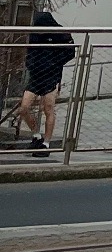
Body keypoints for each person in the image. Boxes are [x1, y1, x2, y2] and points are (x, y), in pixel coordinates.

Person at [19, 10, 75, 159]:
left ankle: (46, 143)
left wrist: (54, 63)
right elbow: (30, 52)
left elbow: (70, 52)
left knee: (48, 108)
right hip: (36, 75)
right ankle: (36, 135)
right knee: (24, 107)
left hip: (52, 75)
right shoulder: (35, 33)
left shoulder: (60, 32)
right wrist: (31, 65)